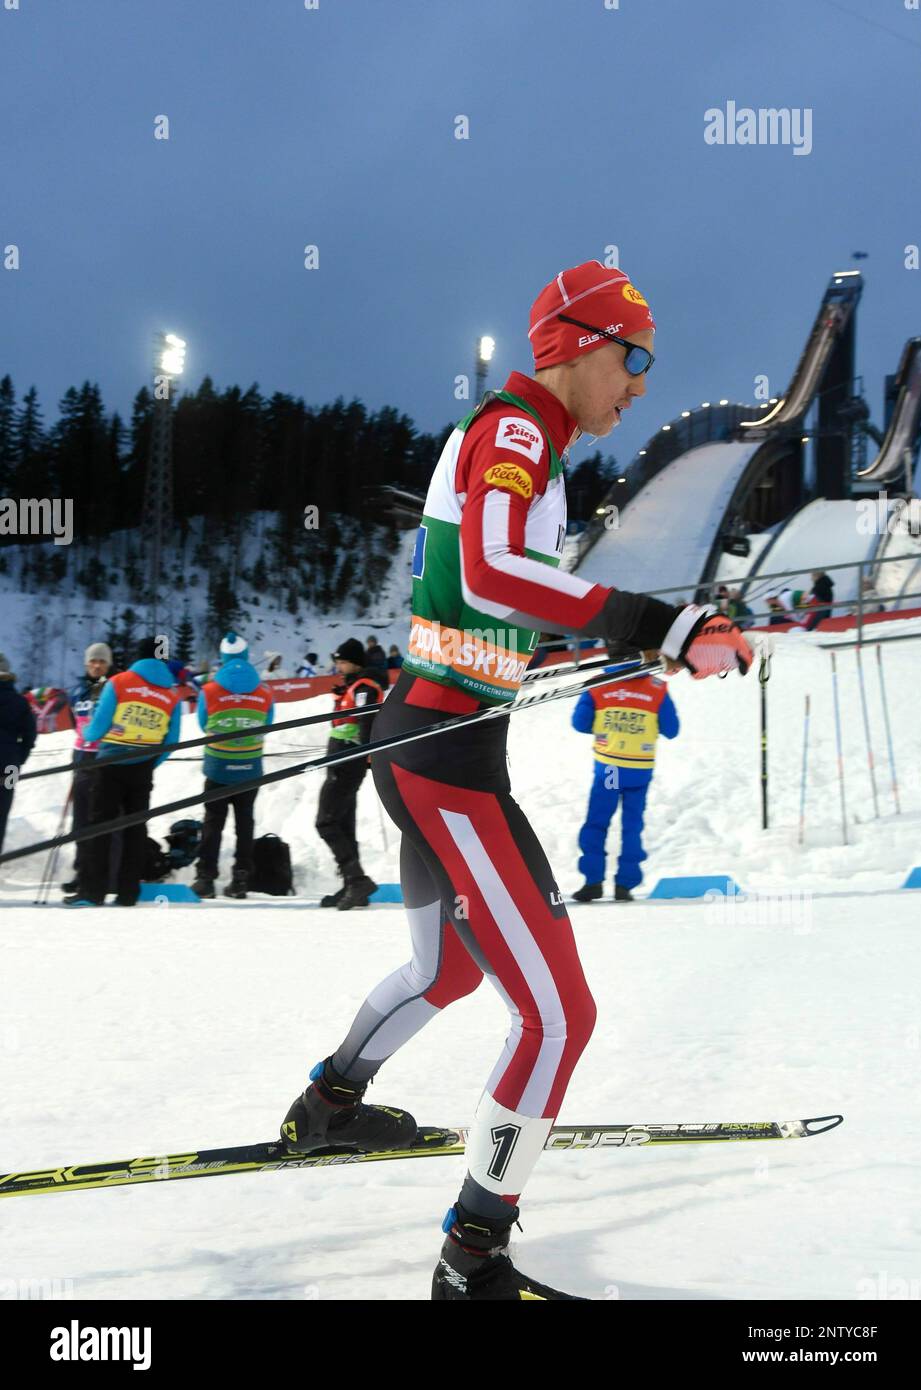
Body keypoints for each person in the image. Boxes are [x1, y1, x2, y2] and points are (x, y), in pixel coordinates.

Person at [277, 259, 753, 1301]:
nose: (639, 385)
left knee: (448, 972)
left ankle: (331, 1102)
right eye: (634, 359)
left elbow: (501, 604)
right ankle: (472, 1258)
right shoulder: (519, 431)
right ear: (580, 343)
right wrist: (660, 622)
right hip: (444, 759)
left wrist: (645, 644)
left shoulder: (536, 443)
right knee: (557, 1015)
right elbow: (494, 572)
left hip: (437, 741)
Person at [66, 637, 183, 907]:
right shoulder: (171, 694)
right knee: (134, 829)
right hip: (142, 768)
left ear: (137, 656)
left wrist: (89, 731)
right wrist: (151, 762)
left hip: (109, 765)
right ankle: (128, 892)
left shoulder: (119, 683)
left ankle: (91, 892)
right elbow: (172, 741)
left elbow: (95, 729)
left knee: (99, 827)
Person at [571, 669, 679, 903]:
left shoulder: (599, 684)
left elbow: (579, 723)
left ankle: (592, 882)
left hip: (611, 769)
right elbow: (672, 730)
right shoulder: (657, 686)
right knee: (632, 826)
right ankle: (625, 884)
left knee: (597, 823)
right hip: (640, 769)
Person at [192, 632, 274, 900]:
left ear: (223, 658)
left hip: (218, 766)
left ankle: (205, 878)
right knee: (245, 823)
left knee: (213, 823)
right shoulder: (264, 692)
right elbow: (268, 723)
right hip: (250, 767)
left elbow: (204, 724)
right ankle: (240, 880)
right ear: (247, 656)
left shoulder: (209, 690)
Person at [314, 638, 384, 910]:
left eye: (342, 662)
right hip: (342, 760)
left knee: (325, 822)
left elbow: (367, 721)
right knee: (343, 824)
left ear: (355, 662)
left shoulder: (365, 686)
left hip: (347, 762)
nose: (339, 666)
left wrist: (367, 757)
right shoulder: (353, 685)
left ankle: (356, 880)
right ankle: (351, 886)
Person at [62, 642, 113, 893]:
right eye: (93, 661)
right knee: (80, 821)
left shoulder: (112, 689)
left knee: (101, 819)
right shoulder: (77, 691)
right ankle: (81, 872)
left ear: (108, 664)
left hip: (104, 759)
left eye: (102, 661)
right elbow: (74, 721)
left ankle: (100, 874)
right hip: (83, 757)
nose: (97, 665)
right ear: (86, 664)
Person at [0, 652, 37, 856]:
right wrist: (18, 760)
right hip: (10, 765)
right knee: (2, 811)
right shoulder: (20, 701)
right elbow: (30, 736)